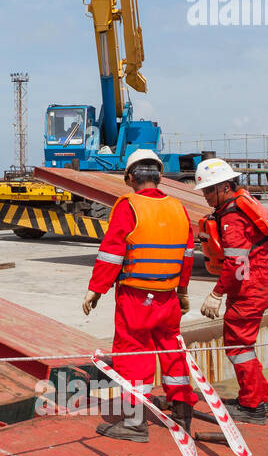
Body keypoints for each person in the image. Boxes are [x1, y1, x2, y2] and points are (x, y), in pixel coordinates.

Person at [83, 149, 197, 441]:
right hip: (168, 296)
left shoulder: (128, 206)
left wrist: (96, 290)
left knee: (133, 353)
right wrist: (182, 291)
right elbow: (186, 255)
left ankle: (134, 423)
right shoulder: (178, 208)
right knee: (173, 353)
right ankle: (182, 414)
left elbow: (111, 253)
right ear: (159, 176)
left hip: (136, 297)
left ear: (130, 177)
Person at [195, 157, 268, 424]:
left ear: (225, 187)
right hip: (259, 280)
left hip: (252, 283)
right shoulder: (237, 208)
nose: (206, 196)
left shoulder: (232, 217)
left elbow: (237, 264)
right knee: (244, 345)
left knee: (238, 344)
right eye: (205, 190)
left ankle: (252, 406)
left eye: (209, 190)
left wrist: (216, 293)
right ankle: (257, 400)